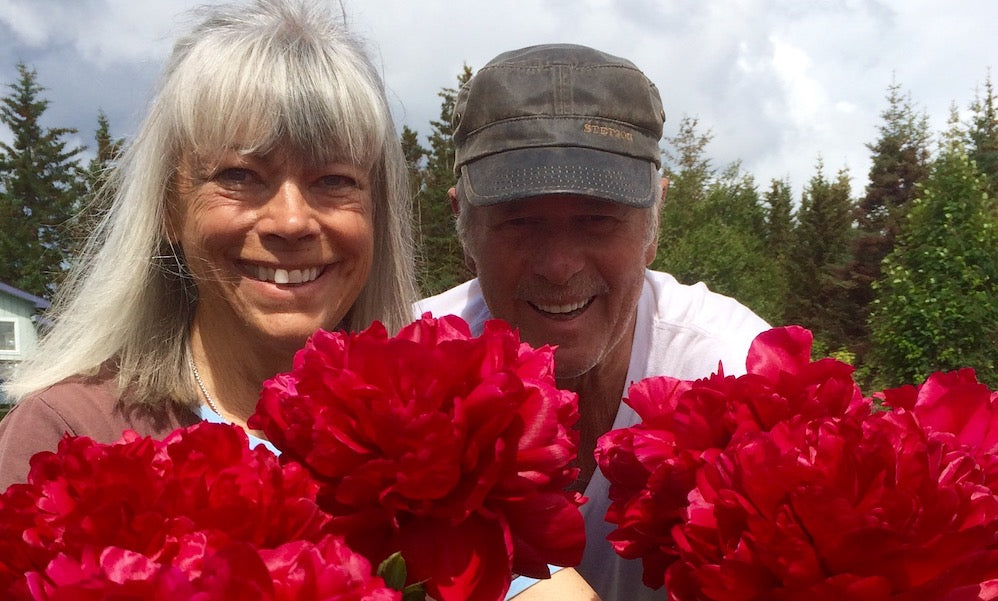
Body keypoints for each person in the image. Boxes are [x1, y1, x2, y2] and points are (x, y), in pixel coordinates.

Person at [0, 0, 418, 484]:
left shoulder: (434, 435)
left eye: (335, 180)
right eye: (239, 175)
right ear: (168, 209)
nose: (291, 221)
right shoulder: (65, 438)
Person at [415, 44, 772, 601]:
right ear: (464, 225)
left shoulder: (733, 372)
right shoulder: (407, 374)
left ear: (654, 222)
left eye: (597, 220)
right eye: (520, 221)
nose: (559, 266)